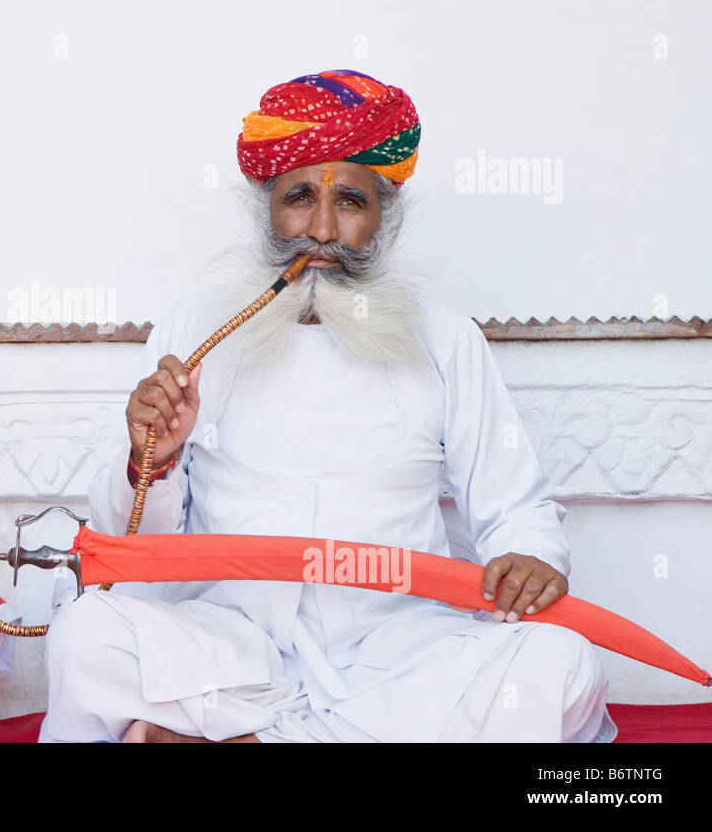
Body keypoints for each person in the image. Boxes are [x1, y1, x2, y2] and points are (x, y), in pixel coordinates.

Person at [39, 70, 616, 743]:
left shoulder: (445, 338)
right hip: (231, 648)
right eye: (298, 198)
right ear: (267, 210)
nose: (320, 229)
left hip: (399, 653)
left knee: (559, 663)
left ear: (384, 220)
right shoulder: (194, 331)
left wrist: (529, 557)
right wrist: (152, 460)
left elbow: (514, 509)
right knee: (86, 632)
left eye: (349, 201)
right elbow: (130, 544)